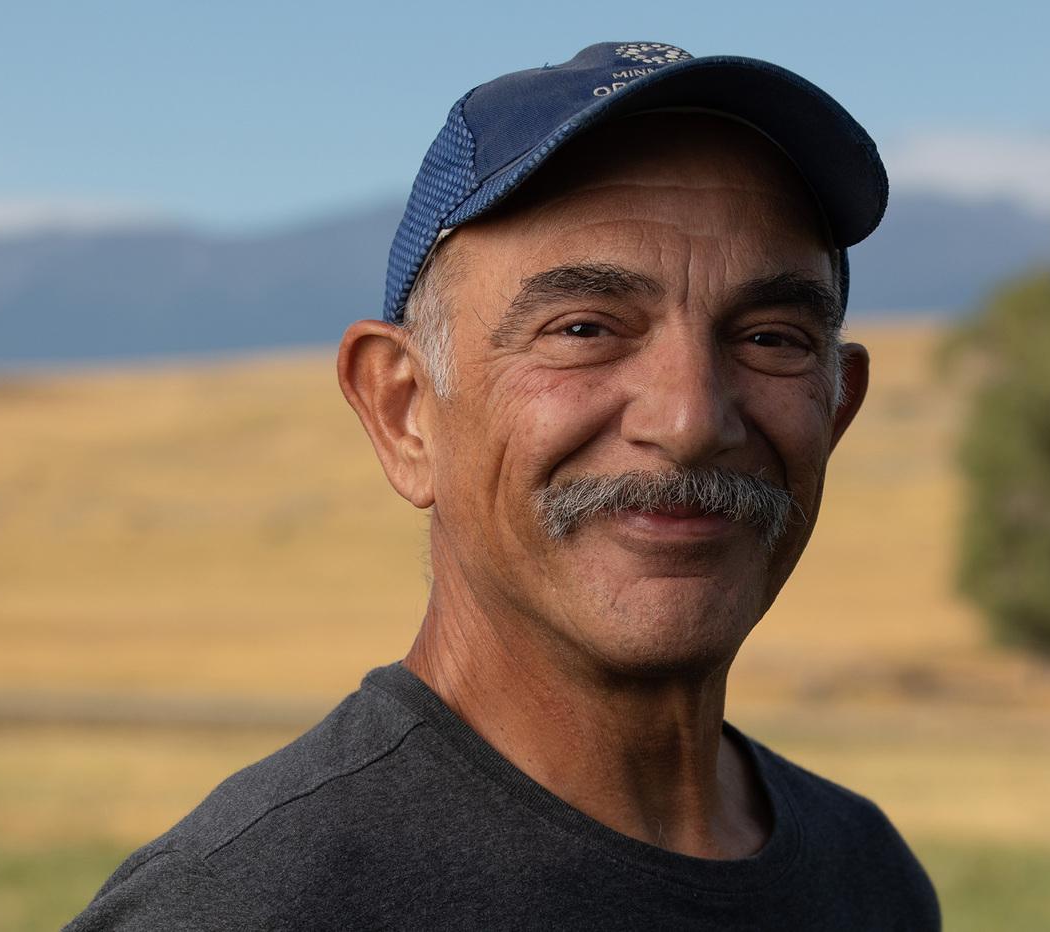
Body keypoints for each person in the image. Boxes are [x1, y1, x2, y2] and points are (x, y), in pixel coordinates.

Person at [65, 41, 940, 931]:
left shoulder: (865, 874)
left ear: (835, 411)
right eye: (586, 326)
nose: (691, 420)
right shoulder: (244, 910)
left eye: (771, 338)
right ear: (405, 411)